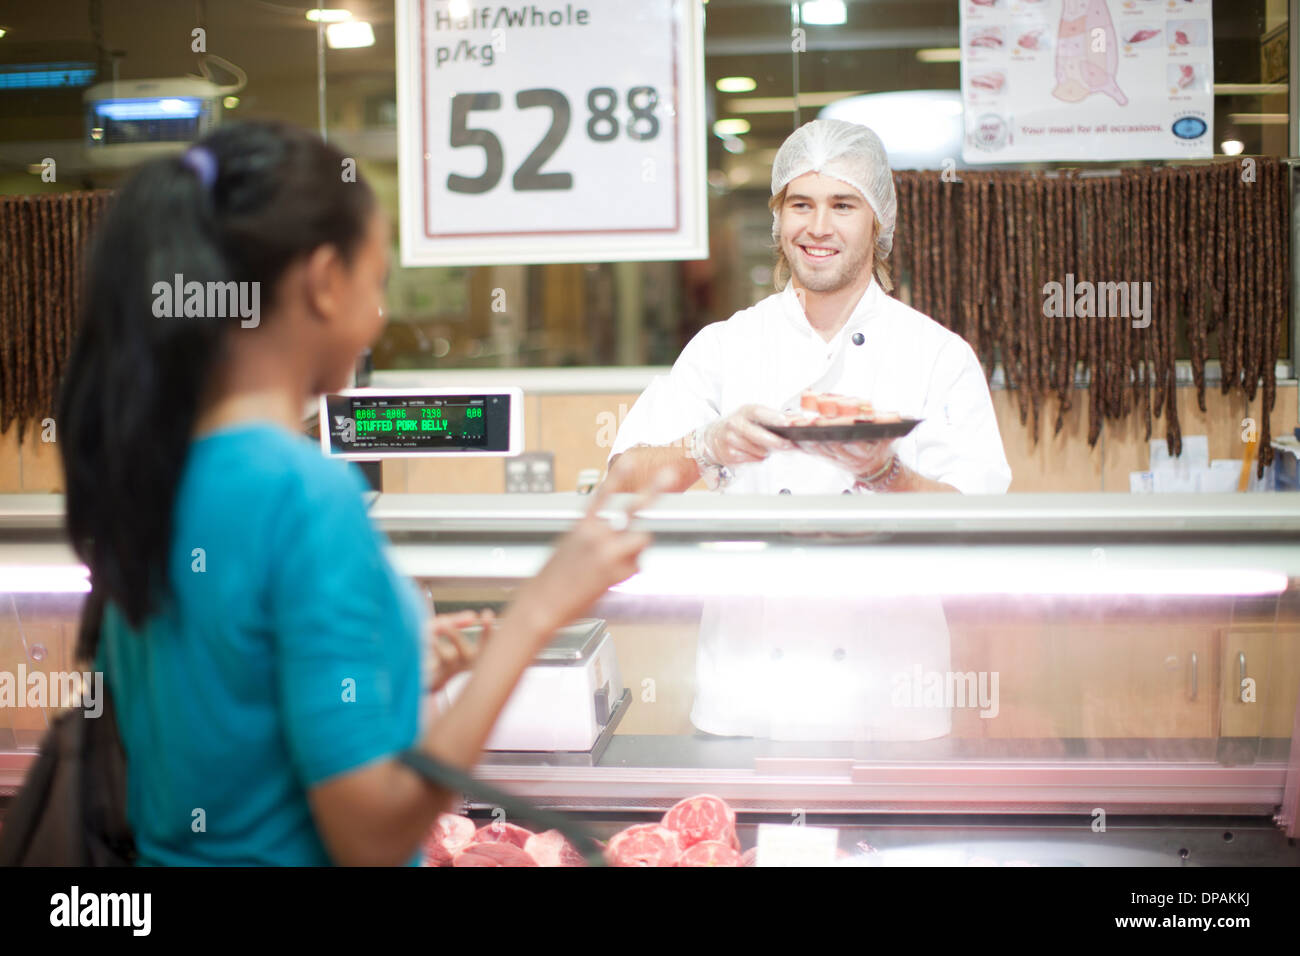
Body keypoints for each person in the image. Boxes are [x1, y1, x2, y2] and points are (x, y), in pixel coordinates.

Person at [58, 120, 657, 865]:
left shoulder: (155, 469)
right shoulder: (304, 490)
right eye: (375, 281)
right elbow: (372, 834)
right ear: (322, 281)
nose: (379, 315)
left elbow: (229, 701)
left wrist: (389, 668)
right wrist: (537, 612)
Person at [604, 119, 1011, 740]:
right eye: (801, 204)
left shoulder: (937, 355)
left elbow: (981, 533)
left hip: (892, 705)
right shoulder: (725, 346)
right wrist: (705, 445)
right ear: (777, 217)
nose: (818, 227)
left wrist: (885, 472)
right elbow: (620, 483)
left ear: (878, 222)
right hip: (746, 703)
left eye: (842, 204)